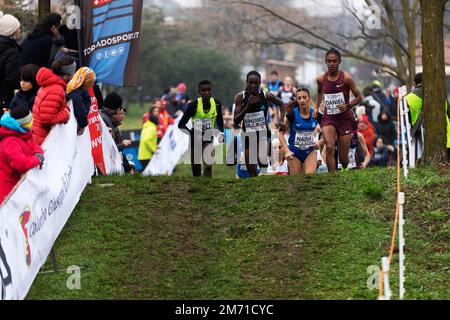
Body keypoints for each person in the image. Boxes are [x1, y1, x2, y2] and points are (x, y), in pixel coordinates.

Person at [315, 48, 363, 173]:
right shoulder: (321, 79)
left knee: (343, 158)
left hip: (344, 118)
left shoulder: (346, 78)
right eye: (329, 61)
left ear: (339, 62)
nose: (331, 64)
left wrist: (348, 106)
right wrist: (316, 107)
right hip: (329, 117)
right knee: (329, 146)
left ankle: (345, 167)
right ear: (325, 61)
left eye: (334, 61)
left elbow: (359, 97)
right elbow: (320, 93)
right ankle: (332, 178)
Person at [234, 71, 285, 177]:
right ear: (246, 82)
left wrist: (281, 120)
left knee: (261, 158)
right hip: (247, 134)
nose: (253, 85)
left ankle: (264, 168)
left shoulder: (266, 96)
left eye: (256, 83)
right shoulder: (240, 97)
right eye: (250, 83)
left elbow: (281, 104)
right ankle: (256, 182)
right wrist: (247, 106)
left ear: (260, 83)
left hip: (262, 132)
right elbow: (235, 121)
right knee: (250, 165)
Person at [178, 80, 224, 177]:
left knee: (208, 164)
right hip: (195, 138)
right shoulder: (193, 106)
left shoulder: (217, 104)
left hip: (208, 137)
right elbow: (181, 124)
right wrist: (191, 134)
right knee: (196, 169)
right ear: (199, 92)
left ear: (212, 90)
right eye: (204, 90)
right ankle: (198, 186)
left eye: (209, 90)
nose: (207, 92)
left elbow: (220, 120)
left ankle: (208, 186)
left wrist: (221, 133)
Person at [0, 106, 44, 203]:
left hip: (17, 184)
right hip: (7, 191)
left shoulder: (21, 133)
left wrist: (38, 152)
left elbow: (32, 145)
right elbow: (21, 164)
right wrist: (37, 160)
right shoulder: (10, 142)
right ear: (24, 124)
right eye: (30, 120)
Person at [406, 72, 450, 162]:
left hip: (421, 140)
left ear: (414, 84)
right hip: (446, 137)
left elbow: (406, 122)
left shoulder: (408, 99)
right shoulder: (440, 96)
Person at [32, 57, 74, 145]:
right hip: (44, 140)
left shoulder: (48, 84)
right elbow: (46, 119)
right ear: (66, 75)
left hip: (37, 135)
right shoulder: (57, 90)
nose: (73, 77)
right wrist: (66, 114)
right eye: (72, 74)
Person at [279, 88, 320, 175]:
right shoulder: (292, 115)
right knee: (296, 180)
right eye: (299, 98)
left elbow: (329, 131)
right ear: (297, 100)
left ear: (309, 99)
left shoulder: (316, 114)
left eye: (304, 97)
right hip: (294, 152)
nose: (302, 100)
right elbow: (280, 134)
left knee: (309, 177)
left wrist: (321, 141)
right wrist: (286, 150)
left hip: (309, 151)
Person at [100, 92, 133, 173]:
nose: (123, 116)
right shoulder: (105, 120)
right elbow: (109, 149)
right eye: (120, 111)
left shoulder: (108, 119)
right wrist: (123, 144)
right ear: (115, 111)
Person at [0, 11, 21, 114]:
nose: (20, 30)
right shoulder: (11, 51)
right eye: (17, 29)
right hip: (4, 96)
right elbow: (11, 77)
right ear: (11, 32)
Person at [66, 67, 96, 135]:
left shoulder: (76, 88)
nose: (92, 84)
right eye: (92, 81)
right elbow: (79, 108)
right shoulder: (73, 90)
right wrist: (82, 124)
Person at [138, 107, 159, 171]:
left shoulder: (146, 126)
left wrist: (155, 146)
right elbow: (147, 140)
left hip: (142, 155)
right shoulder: (152, 128)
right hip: (147, 156)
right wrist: (154, 150)